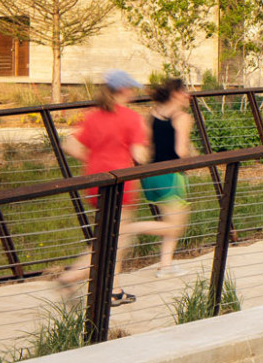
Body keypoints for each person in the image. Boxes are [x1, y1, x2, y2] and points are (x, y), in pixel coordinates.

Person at [57, 70, 171, 304]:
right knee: (117, 240)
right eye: (131, 89)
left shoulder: (93, 116)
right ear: (124, 90)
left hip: (95, 182)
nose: (133, 93)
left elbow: (69, 144)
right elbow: (139, 155)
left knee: (112, 235)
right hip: (121, 183)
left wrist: (93, 159)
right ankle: (71, 277)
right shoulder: (131, 118)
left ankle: (114, 290)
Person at [138, 77, 195, 277]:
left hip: (150, 175)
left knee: (171, 221)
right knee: (176, 225)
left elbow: (145, 148)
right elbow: (181, 151)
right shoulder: (182, 118)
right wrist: (194, 157)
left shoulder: (151, 115)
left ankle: (165, 266)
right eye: (184, 91)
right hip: (171, 176)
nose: (188, 95)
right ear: (175, 94)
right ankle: (130, 229)